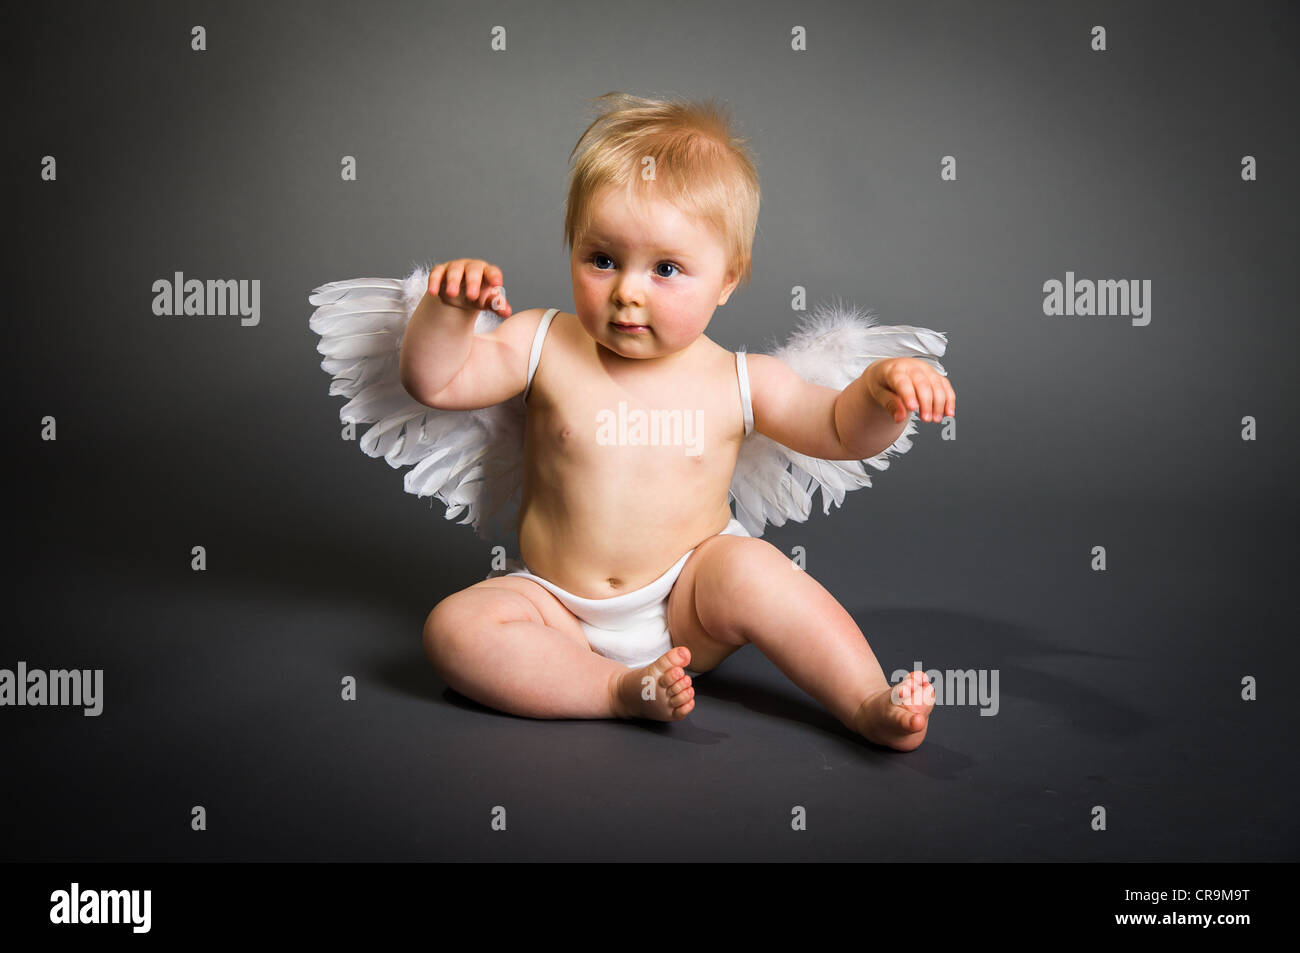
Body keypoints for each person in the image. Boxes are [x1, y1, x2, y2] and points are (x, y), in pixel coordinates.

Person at [402, 92, 952, 750]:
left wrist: (879, 394)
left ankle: (866, 699)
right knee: (453, 629)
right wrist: (447, 308)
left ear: (727, 278)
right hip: (555, 606)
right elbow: (435, 379)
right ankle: (612, 688)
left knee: (756, 570)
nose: (627, 291)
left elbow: (837, 429)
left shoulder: (739, 379)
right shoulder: (541, 341)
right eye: (602, 259)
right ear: (571, 245)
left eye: (666, 269)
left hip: (689, 600)